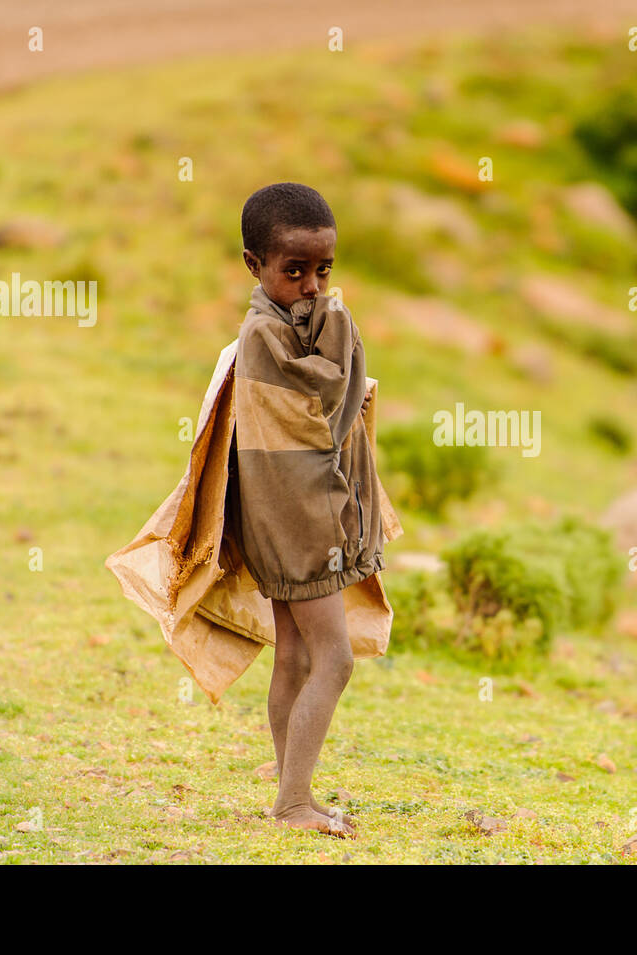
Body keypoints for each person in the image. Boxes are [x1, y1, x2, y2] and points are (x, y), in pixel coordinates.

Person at [232, 182, 386, 838]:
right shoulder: (264, 333)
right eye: (293, 271)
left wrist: (328, 326)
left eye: (324, 270)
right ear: (255, 265)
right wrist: (342, 333)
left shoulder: (294, 320)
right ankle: (294, 801)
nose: (312, 285)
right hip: (294, 522)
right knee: (337, 658)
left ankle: (292, 783)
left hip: (285, 517)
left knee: (293, 657)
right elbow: (321, 397)